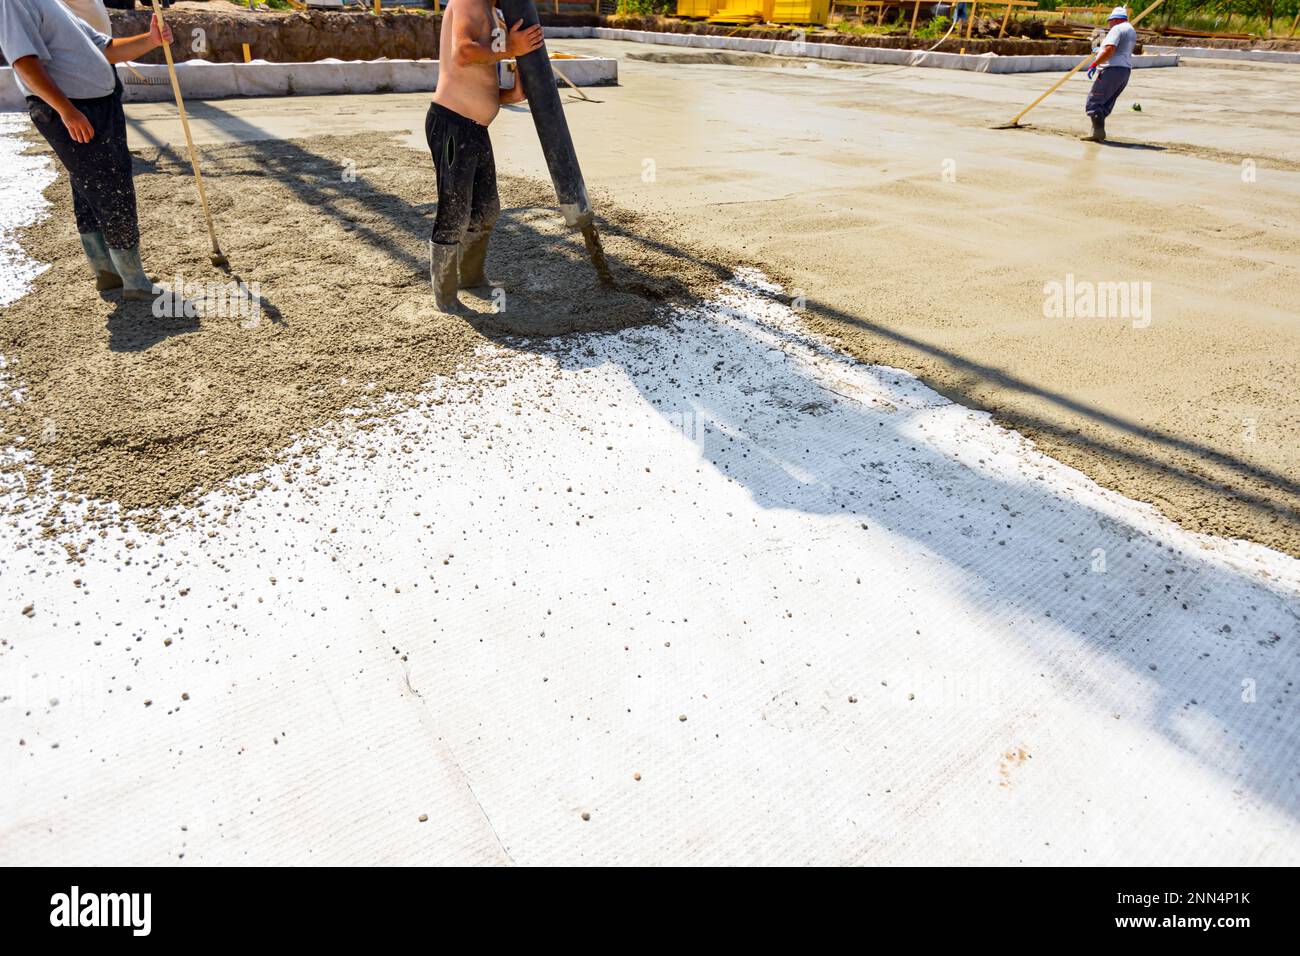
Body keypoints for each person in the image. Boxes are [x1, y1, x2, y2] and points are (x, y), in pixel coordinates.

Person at [0, 0, 173, 299]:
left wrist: (151, 40)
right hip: (74, 108)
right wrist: (66, 110)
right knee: (112, 190)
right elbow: (24, 62)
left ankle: (108, 272)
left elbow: (105, 49)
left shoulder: (51, 2)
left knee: (89, 190)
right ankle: (133, 280)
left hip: (93, 105)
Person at [427, 0, 543, 315]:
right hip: (451, 124)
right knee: (454, 211)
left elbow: (483, 82)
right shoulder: (467, 0)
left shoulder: (495, 13)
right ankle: (445, 295)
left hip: (475, 129)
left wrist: (515, 90)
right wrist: (510, 47)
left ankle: (472, 278)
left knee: (487, 209)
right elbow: (463, 51)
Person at [1081, 7, 1137, 143]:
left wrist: (1095, 63)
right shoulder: (1131, 30)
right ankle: (1096, 131)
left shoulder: (1117, 29)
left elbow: (1110, 49)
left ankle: (1098, 133)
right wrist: (1100, 50)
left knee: (1094, 102)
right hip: (1124, 71)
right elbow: (1118, 49)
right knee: (1105, 103)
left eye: (1110, 21)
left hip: (1111, 70)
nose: (1109, 25)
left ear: (1115, 20)